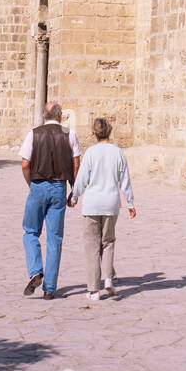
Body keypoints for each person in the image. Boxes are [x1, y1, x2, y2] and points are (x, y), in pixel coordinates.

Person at [68, 116, 136, 303]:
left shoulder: (90, 153)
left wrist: (74, 197)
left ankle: (93, 290)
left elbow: (82, 179)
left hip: (92, 204)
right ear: (110, 131)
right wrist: (130, 203)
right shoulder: (118, 153)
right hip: (111, 203)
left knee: (91, 246)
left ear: (94, 133)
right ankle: (108, 279)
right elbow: (125, 180)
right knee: (108, 242)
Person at [20, 102, 81, 298]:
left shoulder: (34, 133)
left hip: (38, 185)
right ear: (60, 115)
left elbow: (25, 164)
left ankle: (36, 271)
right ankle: (49, 289)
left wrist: (32, 185)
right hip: (59, 188)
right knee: (55, 238)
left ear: (44, 116)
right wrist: (74, 191)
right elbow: (76, 163)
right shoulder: (70, 134)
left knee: (30, 232)